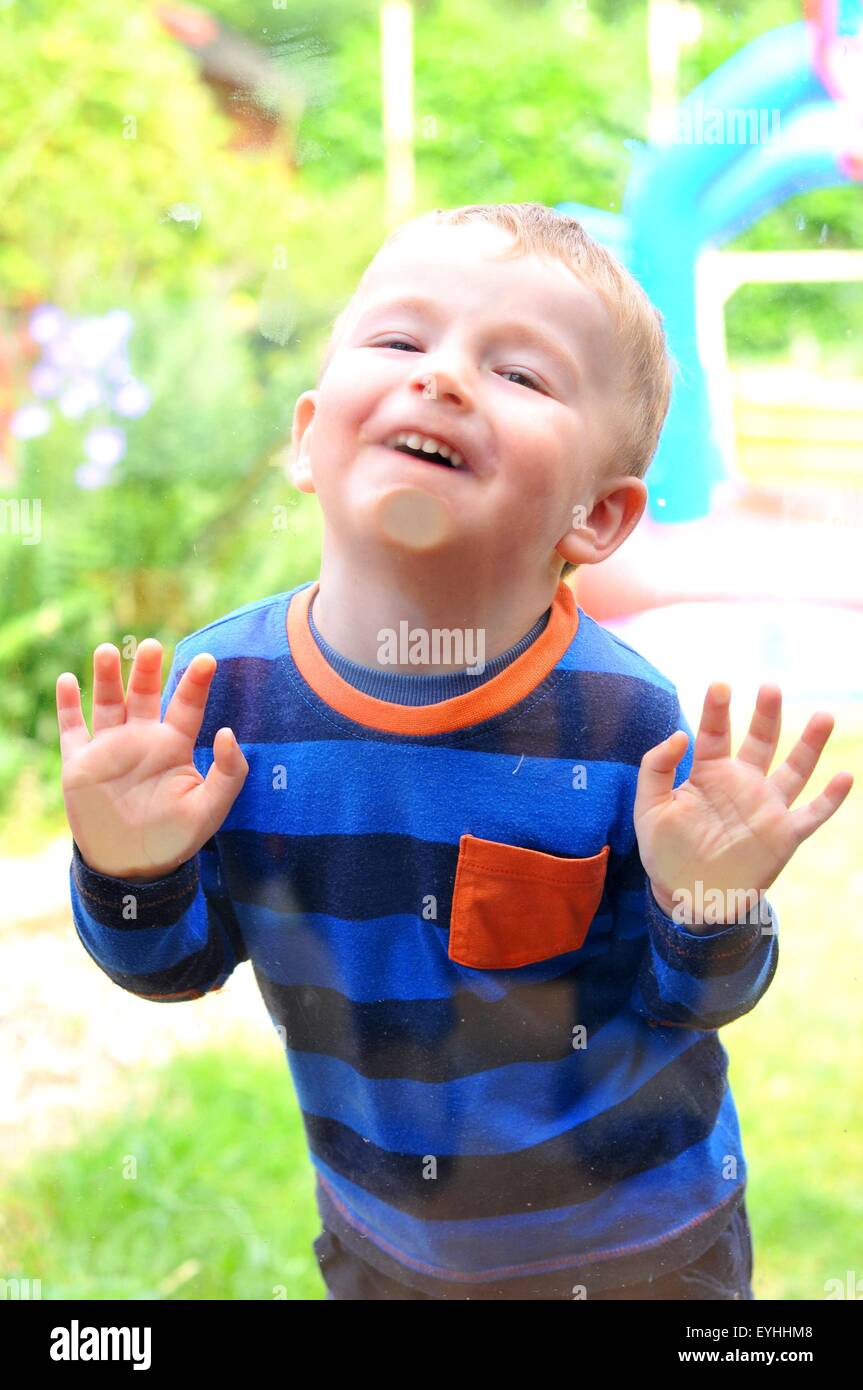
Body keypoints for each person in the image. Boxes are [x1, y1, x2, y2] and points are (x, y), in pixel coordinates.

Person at [57, 202, 853, 1300]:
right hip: (385, 1247)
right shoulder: (220, 700)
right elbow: (174, 968)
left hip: (641, 1251)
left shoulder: (622, 722)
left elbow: (695, 1001)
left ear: (599, 518)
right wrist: (129, 869)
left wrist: (709, 901)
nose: (441, 377)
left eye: (520, 374)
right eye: (397, 339)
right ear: (306, 435)